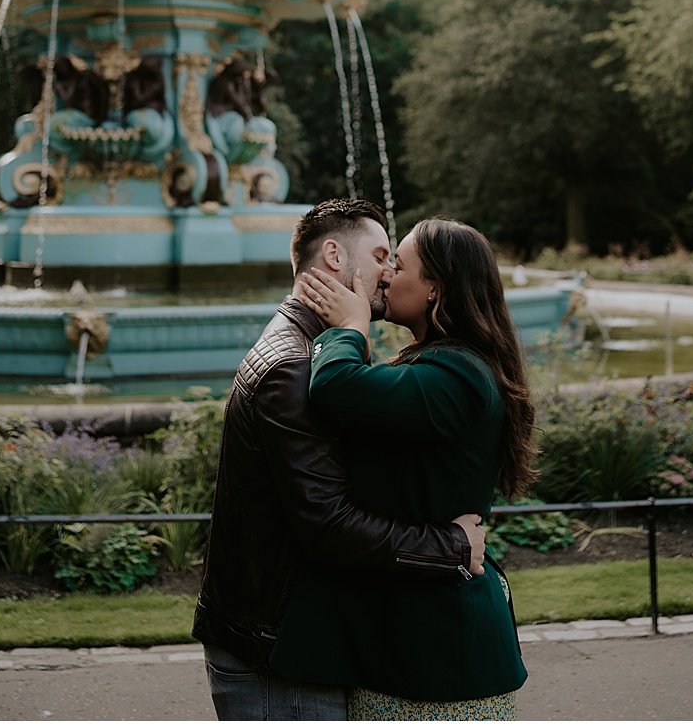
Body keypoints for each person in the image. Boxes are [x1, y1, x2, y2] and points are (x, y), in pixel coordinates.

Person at [193, 198, 485, 720]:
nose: (389, 273)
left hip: (286, 641)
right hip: (276, 653)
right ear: (334, 256)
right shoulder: (297, 367)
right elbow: (328, 523)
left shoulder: (308, 346)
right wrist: (451, 546)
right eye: (380, 256)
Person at [286, 218, 533, 718]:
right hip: (410, 643)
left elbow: (336, 387)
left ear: (434, 288)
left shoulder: (456, 376)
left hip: (442, 656)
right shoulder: (441, 366)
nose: (384, 275)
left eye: (397, 266)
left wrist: (348, 328)